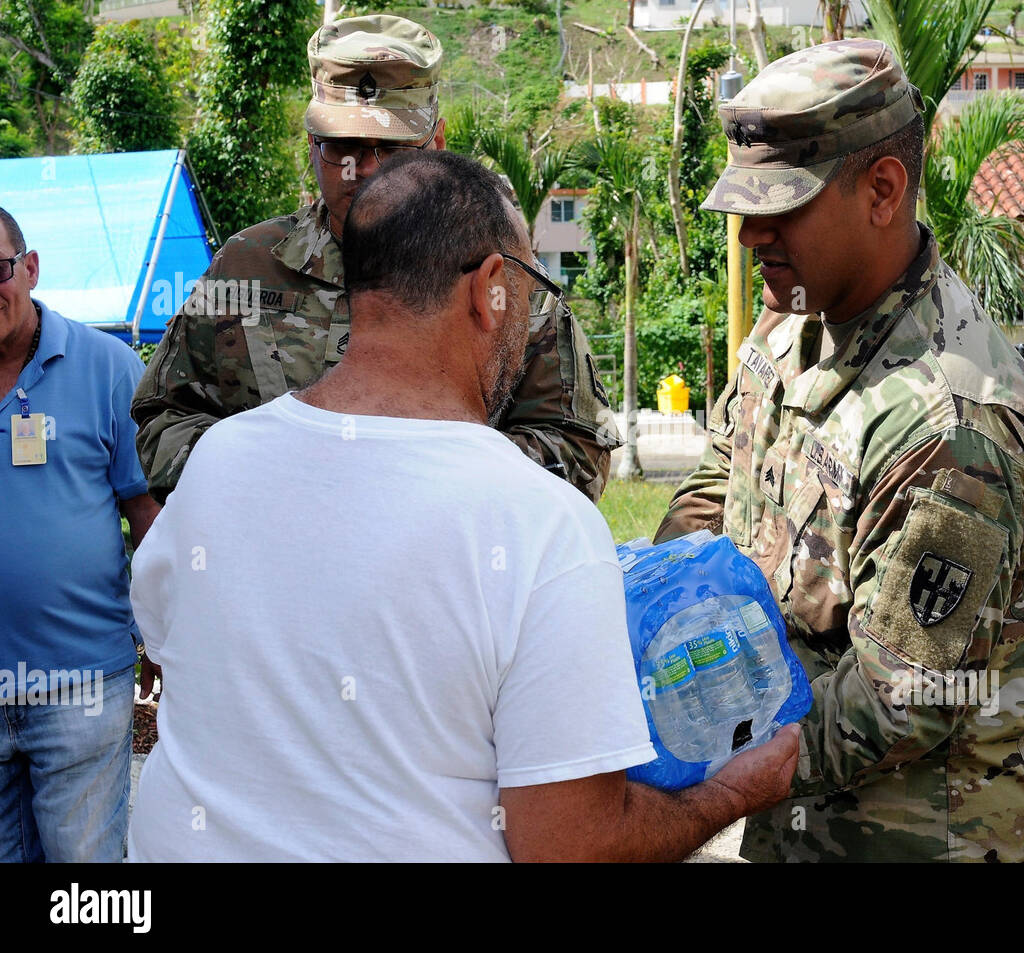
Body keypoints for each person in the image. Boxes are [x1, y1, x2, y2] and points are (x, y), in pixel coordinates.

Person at [126, 151, 799, 863]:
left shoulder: (216, 463)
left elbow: (183, 649)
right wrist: (734, 794)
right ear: (490, 291)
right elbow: (571, 846)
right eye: (532, 287)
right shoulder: (542, 526)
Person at [654, 40, 1024, 863]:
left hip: (912, 835)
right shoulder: (798, 321)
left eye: (781, 207)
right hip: (800, 811)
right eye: (746, 207)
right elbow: (726, 464)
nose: (750, 237)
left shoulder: (952, 426)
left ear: (883, 190)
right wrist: (666, 613)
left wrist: (695, 765)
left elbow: (902, 696)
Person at [131, 13, 617, 505]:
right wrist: (269, 474)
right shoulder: (247, 267)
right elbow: (163, 421)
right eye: (342, 147)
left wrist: (428, 478)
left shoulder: (500, 274)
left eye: (392, 148)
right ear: (312, 144)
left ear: (438, 144)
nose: (363, 170)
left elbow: (578, 449)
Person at [0, 206, 161, 862]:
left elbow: (147, 515)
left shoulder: (108, 367)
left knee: (83, 879)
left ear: (30, 268)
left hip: (80, 683)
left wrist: (161, 634)